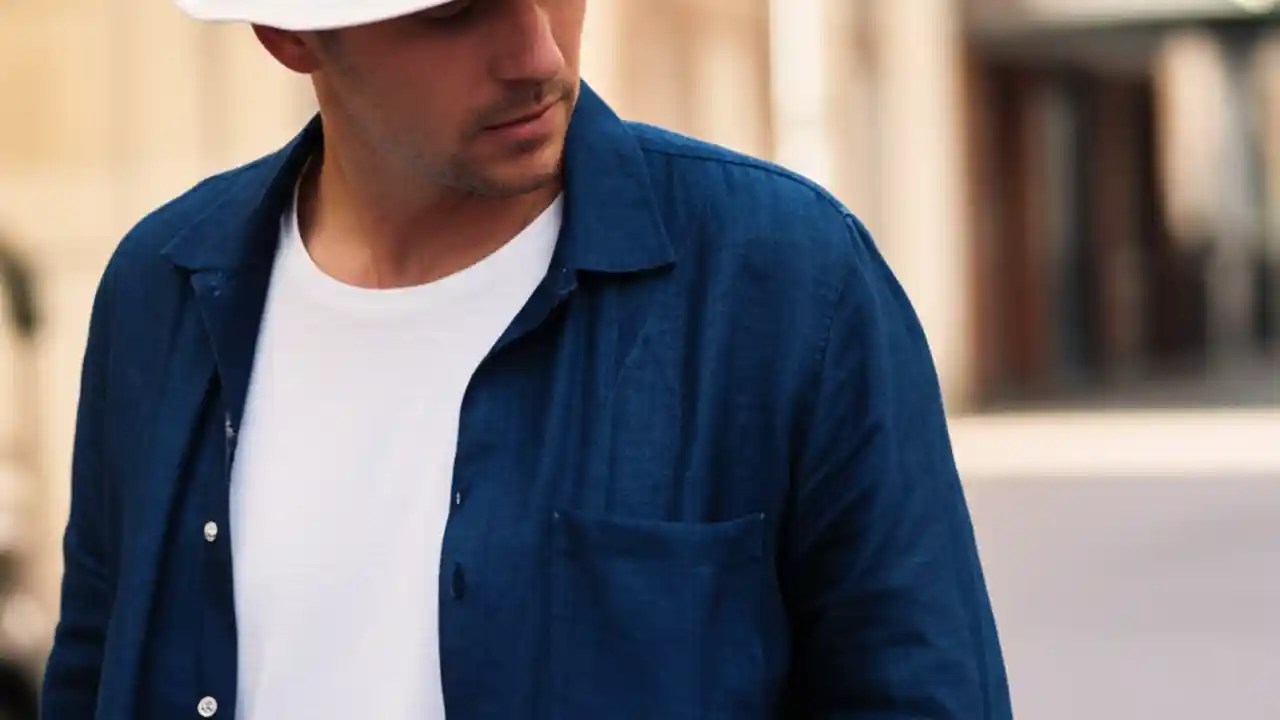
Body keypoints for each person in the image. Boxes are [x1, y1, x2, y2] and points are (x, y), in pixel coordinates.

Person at [41, 0, 1012, 718]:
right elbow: (92, 668)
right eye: (460, 15)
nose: (537, 52)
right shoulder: (162, 291)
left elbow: (921, 691)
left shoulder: (782, 282)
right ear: (291, 37)